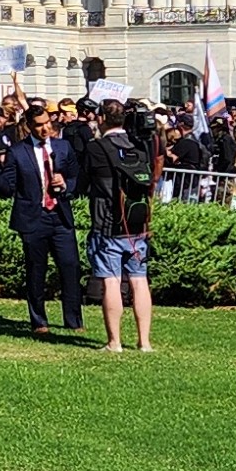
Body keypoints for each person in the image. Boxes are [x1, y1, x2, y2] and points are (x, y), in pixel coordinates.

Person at [0, 111, 82, 334]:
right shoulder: (18, 152)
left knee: (70, 266)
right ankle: (39, 321)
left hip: (60, 216)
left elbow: (77, 178)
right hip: (33, 217)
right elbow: (8, 187)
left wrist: (66, 183)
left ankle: (74, 320)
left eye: (47, 123)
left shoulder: (63, 147)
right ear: (29, 126)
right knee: (36, 270)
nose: (44, 128)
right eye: (39, 125)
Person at [77, 103, 157, 352]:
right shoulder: (139, 146)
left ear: (101, 118)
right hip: (137, 224)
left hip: (108, 223)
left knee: (112, 282)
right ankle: (144, 342)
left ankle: (115, 342)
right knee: (139, 281)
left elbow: (82, 182)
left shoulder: (96, 148)